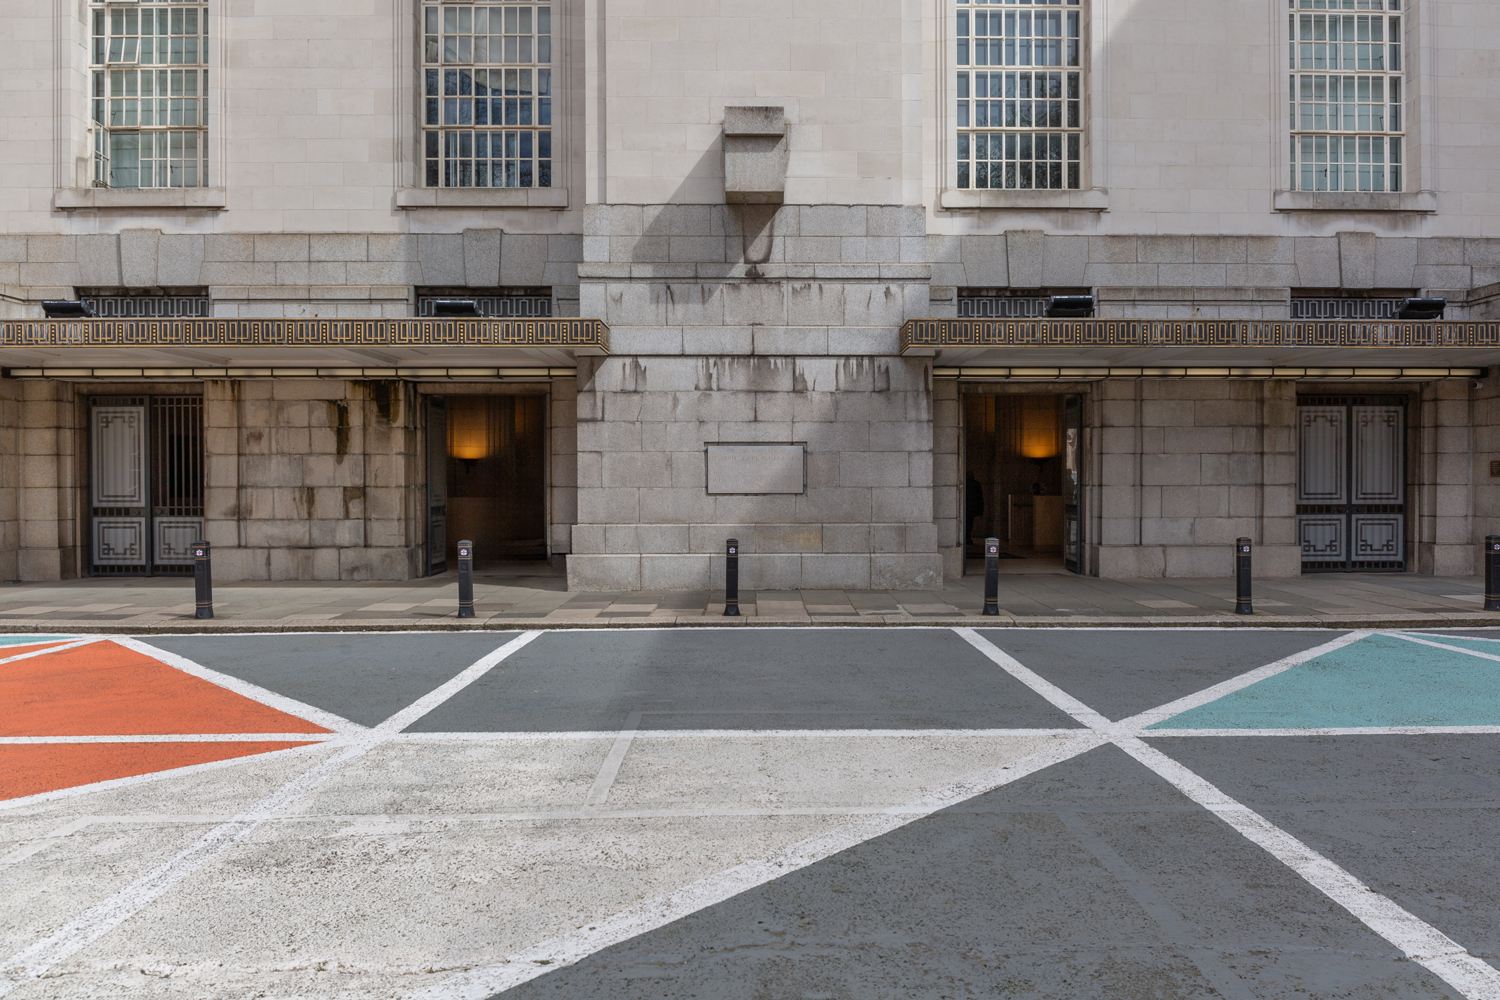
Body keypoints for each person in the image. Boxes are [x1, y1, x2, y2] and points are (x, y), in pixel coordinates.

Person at [965, 473, 984, 550]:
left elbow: (979, 497)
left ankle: (967, 537)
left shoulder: (971, 484)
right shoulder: (975, 484)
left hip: (968, 507)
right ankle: (967, 537)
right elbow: (980, 497)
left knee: (968, 523)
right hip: (971, 507)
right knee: (969, 523)